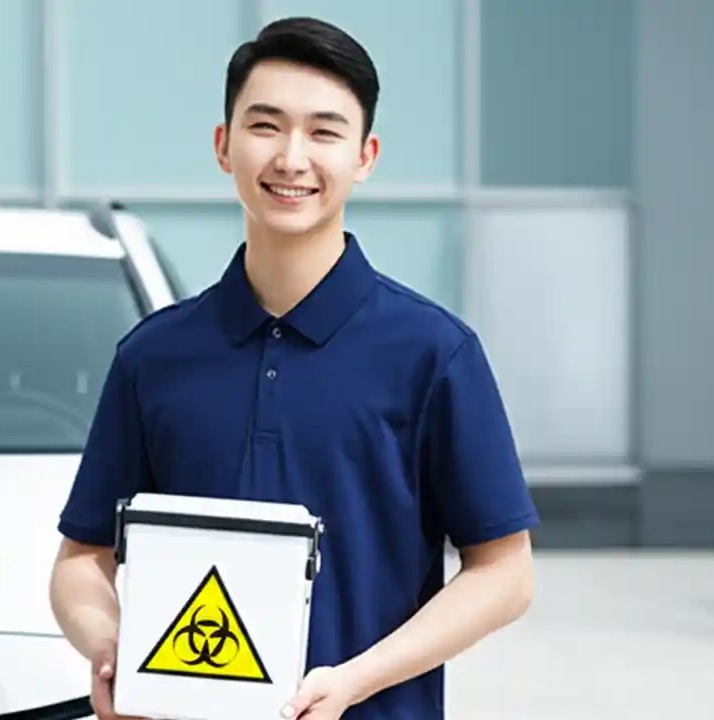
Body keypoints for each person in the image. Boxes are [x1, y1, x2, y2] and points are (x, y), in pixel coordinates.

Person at [48, 15, 539, 720]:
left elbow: (506, 572)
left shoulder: (433, 353)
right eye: (266, 125)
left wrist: (354, 681)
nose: (291, 157)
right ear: (223, 145)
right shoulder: (154, 357)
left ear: (364, 155)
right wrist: (110, 647)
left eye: (324, 132)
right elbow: (81, 558)